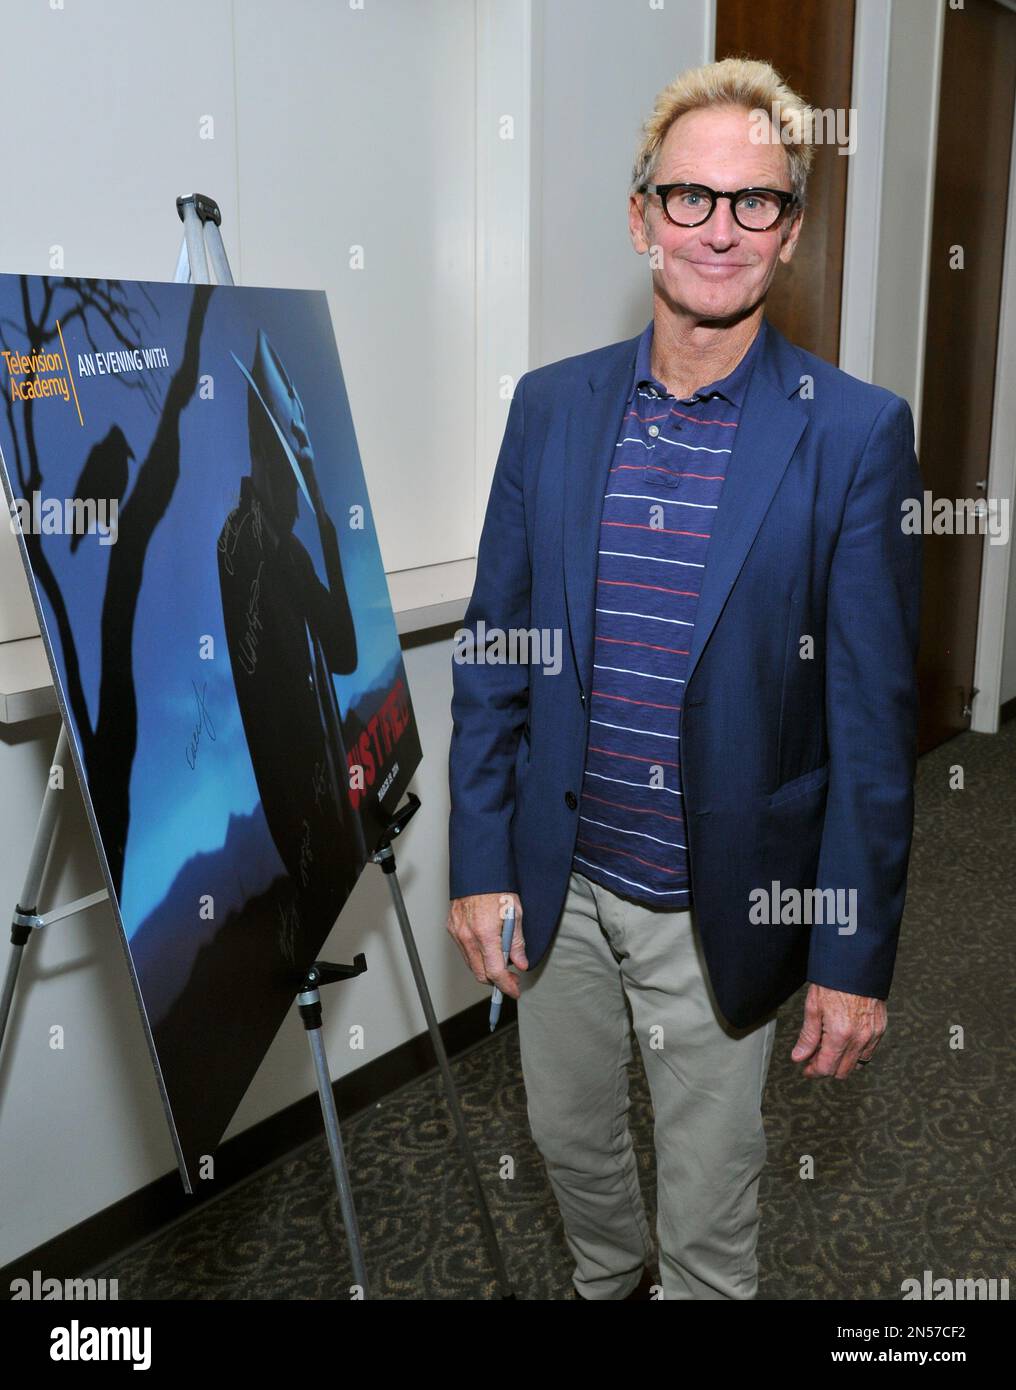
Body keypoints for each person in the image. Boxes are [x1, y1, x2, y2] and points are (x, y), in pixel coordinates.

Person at [446, 57, 923, 1300]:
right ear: (639, 214)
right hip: (557, 881)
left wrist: (850, 951)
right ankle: (610, 1284)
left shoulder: (853, 431)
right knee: (566, 1142)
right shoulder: (549, 409)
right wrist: (480, 859)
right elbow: (495, 654)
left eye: (752, 201)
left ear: (790, 230)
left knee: (708, 1208)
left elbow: (870, 726)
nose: (718, 228)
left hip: (718, 898)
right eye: (689, 196)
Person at [218, 329, 363, 953]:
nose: (296, 481)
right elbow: (264, 689)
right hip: (294, 792)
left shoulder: (293, 547)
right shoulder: (239, 543)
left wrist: (328, 533)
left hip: (324, 779)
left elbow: (345, 652)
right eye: (286, 462)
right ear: (261, 454)